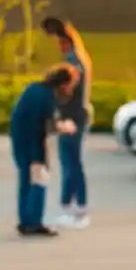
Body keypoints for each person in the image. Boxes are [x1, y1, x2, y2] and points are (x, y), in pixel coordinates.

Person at [11, 63, 80, 237]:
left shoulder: (34, 89)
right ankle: (33, 222)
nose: (70, 91)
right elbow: (50, 125)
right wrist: (66, 127)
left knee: (26, 181)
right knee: (38, 180)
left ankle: (25, 221)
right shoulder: (48, 97)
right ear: (63, 84)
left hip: (20, 138)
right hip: (33, 142)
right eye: (70, 86)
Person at [42, 16, 94, 229]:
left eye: (60, 42)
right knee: (71, 162)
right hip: (76, 114)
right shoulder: (80, 57)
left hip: (72, 116)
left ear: (66, 41)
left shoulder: (74, 60)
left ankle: (77, 208)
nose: (58, 47)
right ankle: (71, 207)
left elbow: (68, 87)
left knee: (71, 163)